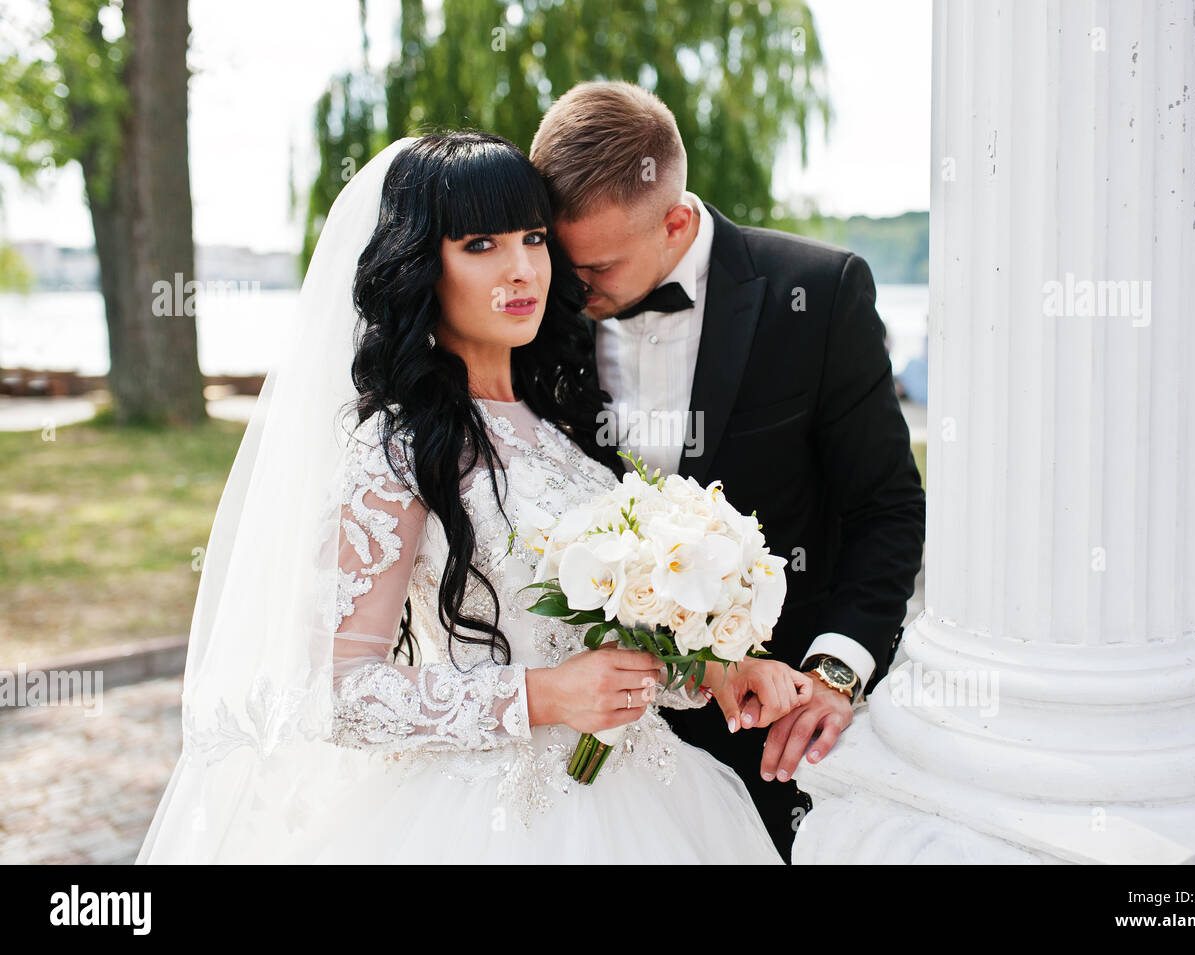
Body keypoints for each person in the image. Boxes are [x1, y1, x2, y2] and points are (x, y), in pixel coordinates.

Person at [135, 132, 811, 864]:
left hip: (643, 797)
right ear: (422, 266)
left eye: (533, 238)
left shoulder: (558, 425)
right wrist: (540, 696)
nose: (522, 269)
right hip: (491, 822)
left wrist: (714, 670)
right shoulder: (398, 448)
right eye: (481, 245)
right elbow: (343, 691)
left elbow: (596, 642)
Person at [530, 81, 927, 862]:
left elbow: (887, 507)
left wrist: (835, 674)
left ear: (675, 219)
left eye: (597, 269)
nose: (568, 293)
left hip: (767, 730)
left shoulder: (817, 293)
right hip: (585, 741)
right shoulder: (542, 306)